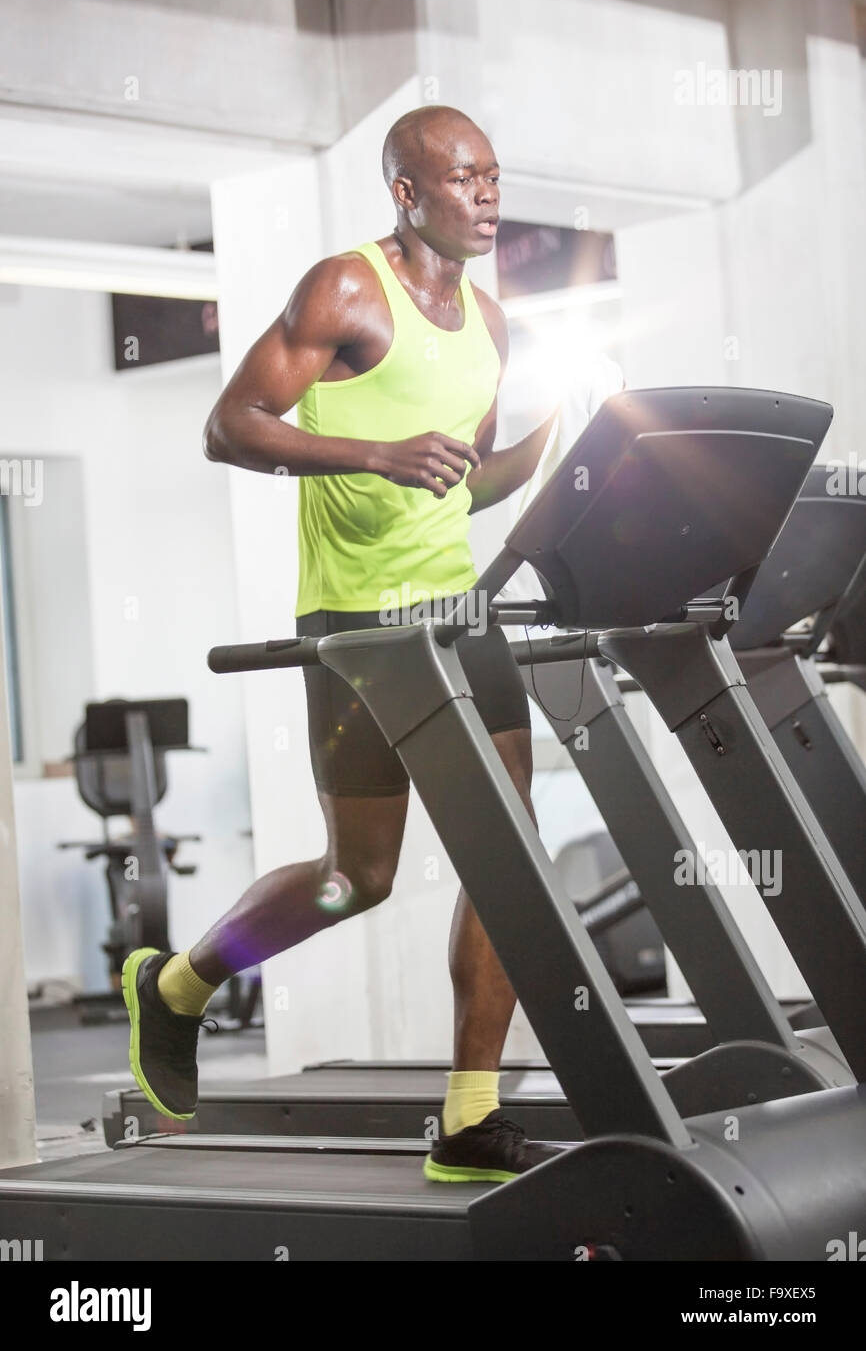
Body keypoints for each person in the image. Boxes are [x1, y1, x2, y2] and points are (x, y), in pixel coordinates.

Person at [122, 104, 560, 1182]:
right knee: (354, 878)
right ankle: (176, 985)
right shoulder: (344, 288)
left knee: (507, 857)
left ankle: (466, 1122)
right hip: (358, 625)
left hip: (459, 612)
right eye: (462, 178)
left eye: (494, 175)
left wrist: (568, 433)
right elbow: (230, 427)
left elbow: (470, 481)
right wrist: (372, 450)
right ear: (406, 193)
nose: (486, 195)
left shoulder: (493, 325)